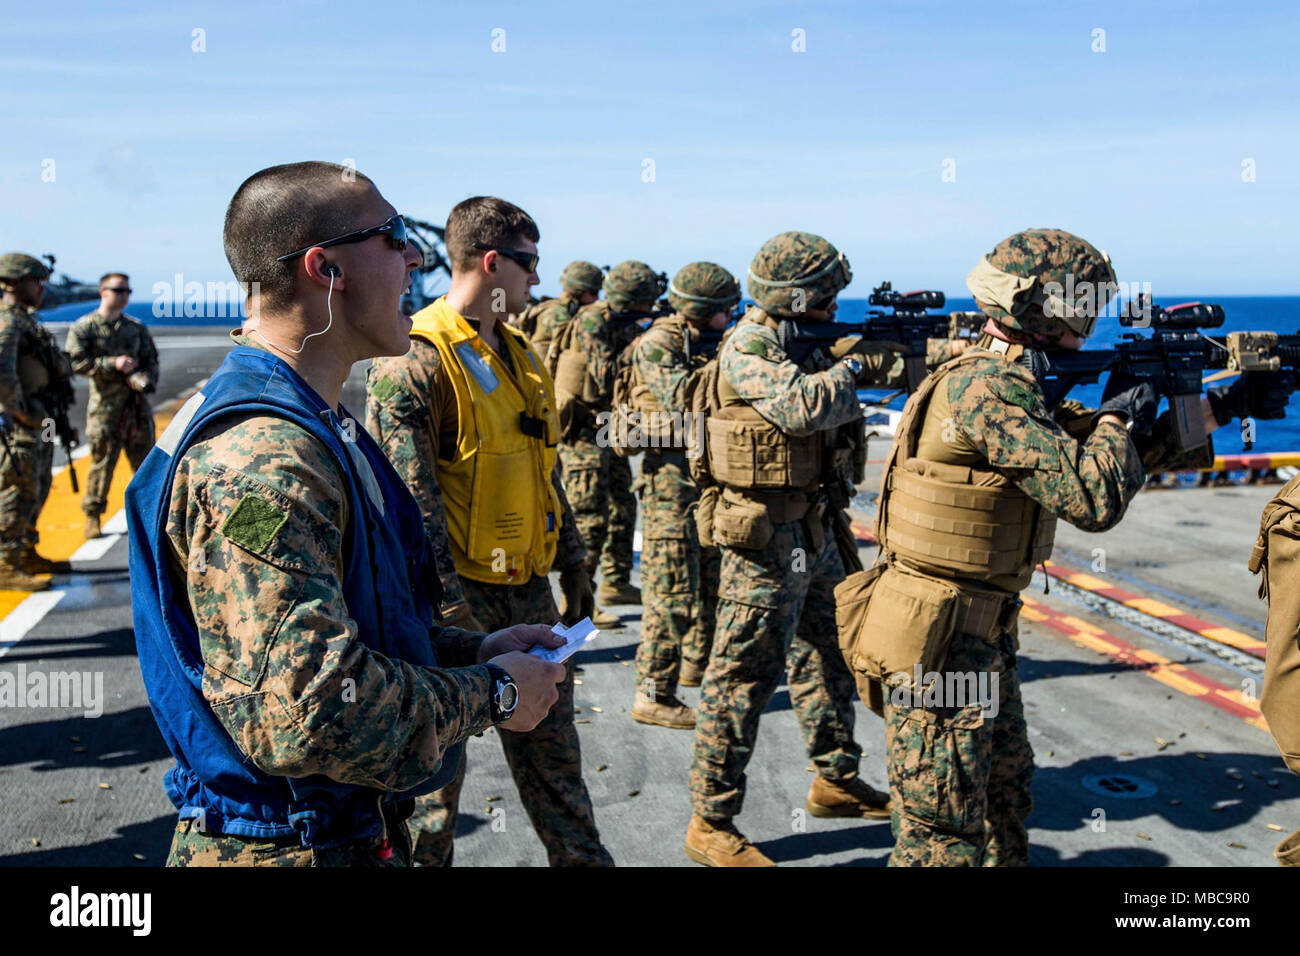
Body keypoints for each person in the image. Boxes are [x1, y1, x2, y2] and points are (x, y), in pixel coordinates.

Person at [125, 161, 567, 866]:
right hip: (287, 847)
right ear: (323, 268)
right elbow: (311, 714)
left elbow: (351, 626)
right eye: (392, 237)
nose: (417, 256)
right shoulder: (263, 464)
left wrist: (471, 651)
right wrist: (497, 693)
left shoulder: (316, 426)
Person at [865, 227, 1289, 866]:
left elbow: (1107, 454)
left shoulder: (1005, 379)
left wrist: (1224, 405)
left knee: (1004, 805)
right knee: (940, 842)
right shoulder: (988, 388)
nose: (1091, 324)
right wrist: (1120, 412)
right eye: (1082, 309)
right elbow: (1093, 496)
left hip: (975, 637)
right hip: (939, 646)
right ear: (1046, 309)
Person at [365, 196, 611, 867]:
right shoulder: (416, 361)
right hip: (452, 609)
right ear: (492, 260)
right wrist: (451, 622)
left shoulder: (523, 353)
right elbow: (409, 514)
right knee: (431, 789)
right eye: (529, 263)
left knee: (558, 766)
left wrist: (575, 562)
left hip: (528, 595)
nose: (537, 279)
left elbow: (543, 466)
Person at [685, 232, 899, 867]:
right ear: (797, 296)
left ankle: (835, 777)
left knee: (829, 656)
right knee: (742, 677)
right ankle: (710, 820)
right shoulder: (749, 345)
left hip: (813, 530)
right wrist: (856, 367)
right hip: (763, 540)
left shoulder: (801, 342)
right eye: (827, 296)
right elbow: (801, 408)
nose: (835, 309)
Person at [623, 262, 734, 728]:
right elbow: (686, 400)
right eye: (725, 310)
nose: (732, 317)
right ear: (704, 310)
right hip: (669, 487)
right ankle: (653, 693)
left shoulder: (699, 339)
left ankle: (694, 664)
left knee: (710, 579)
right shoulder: (659, 344)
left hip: (703, 483)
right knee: (670, 594)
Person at [66, 272, 159, 538]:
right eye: (119, 290)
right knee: (101, 464)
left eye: (127, 291)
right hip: (105, 409)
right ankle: (93, 516)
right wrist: (112, 364)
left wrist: (145, 379)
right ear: (103, 292)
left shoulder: (136, 328)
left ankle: (150, 517)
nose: (124, 296)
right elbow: (75, 363)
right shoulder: (85, 327)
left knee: (146, 467)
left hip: (137, 408)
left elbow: (151, 359)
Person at [0, 251, 71, 590]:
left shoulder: (25, 319)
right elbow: (1, 371)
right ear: (14, 283)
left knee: (39, 484)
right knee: (17, 488)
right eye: (35, 282)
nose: (42, 288)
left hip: (40, 419)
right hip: (20, 425)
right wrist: (19, 411)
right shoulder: (8, 321)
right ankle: (4, 562)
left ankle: (26, 550)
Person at [524, 260, 603, 353]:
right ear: (578, 291)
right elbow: (571, 335)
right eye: (594, 293)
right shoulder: (555, 312)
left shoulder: (568, 309)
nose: (597, 298)